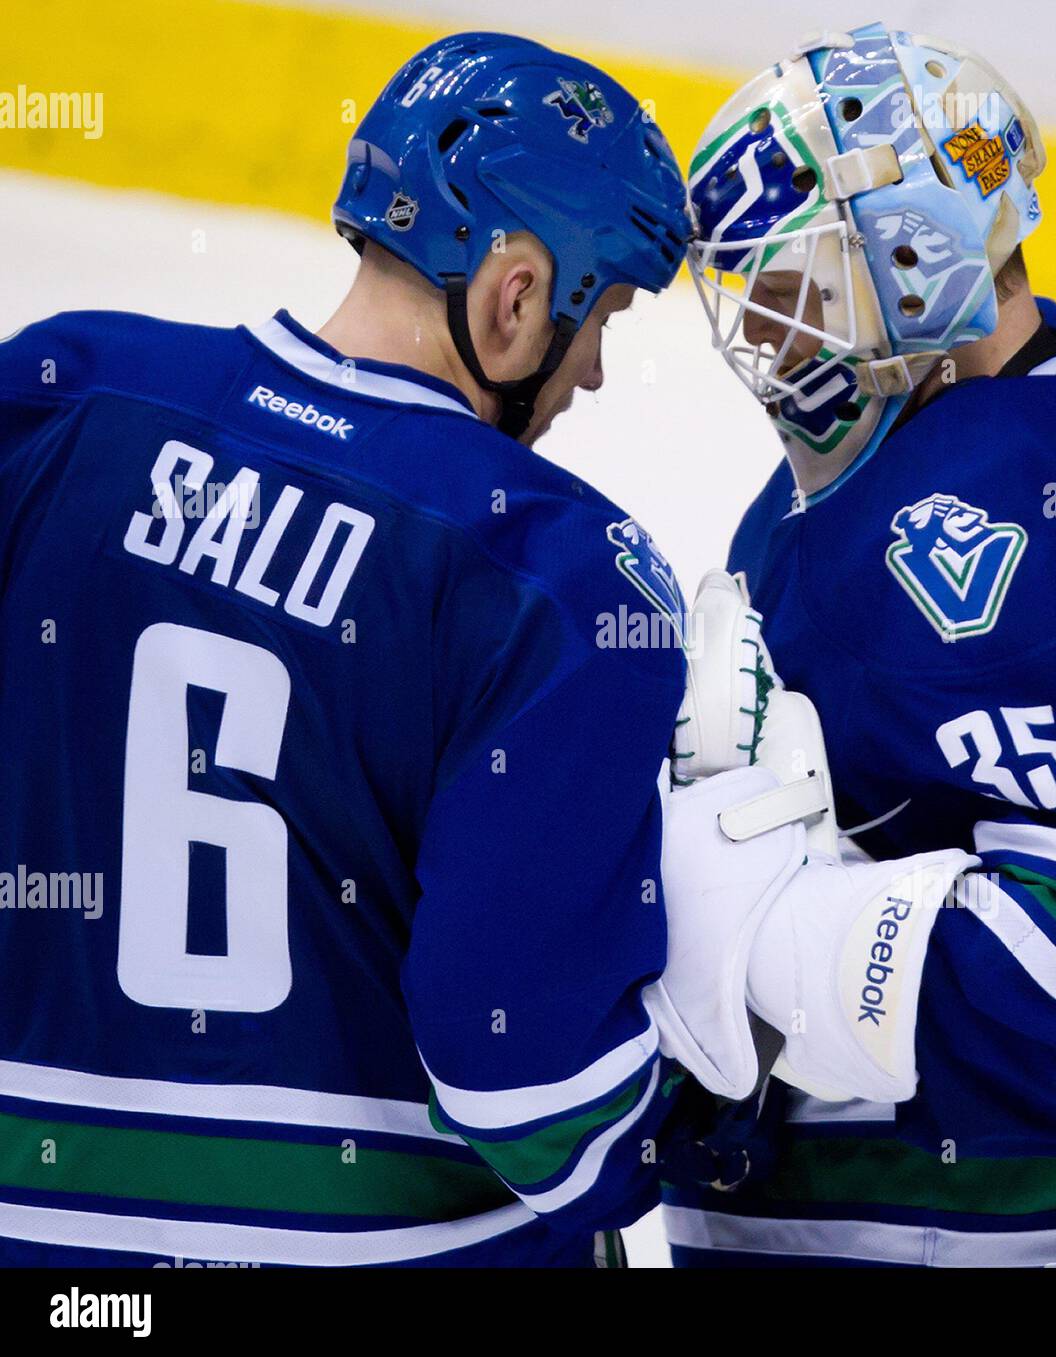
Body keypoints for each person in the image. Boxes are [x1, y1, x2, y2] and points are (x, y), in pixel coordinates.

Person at [0, 32, 692, 1267]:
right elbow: (536, 1099)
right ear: (516, 292)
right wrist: (711, 1105)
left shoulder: (62, 398)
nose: (593, 372)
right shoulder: (554, 574)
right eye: (605, 316)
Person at [656, 21, 1056, 1266]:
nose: (764, 330)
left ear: (914, 264)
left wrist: (768, 932)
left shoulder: (957, 520)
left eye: (792, 284)